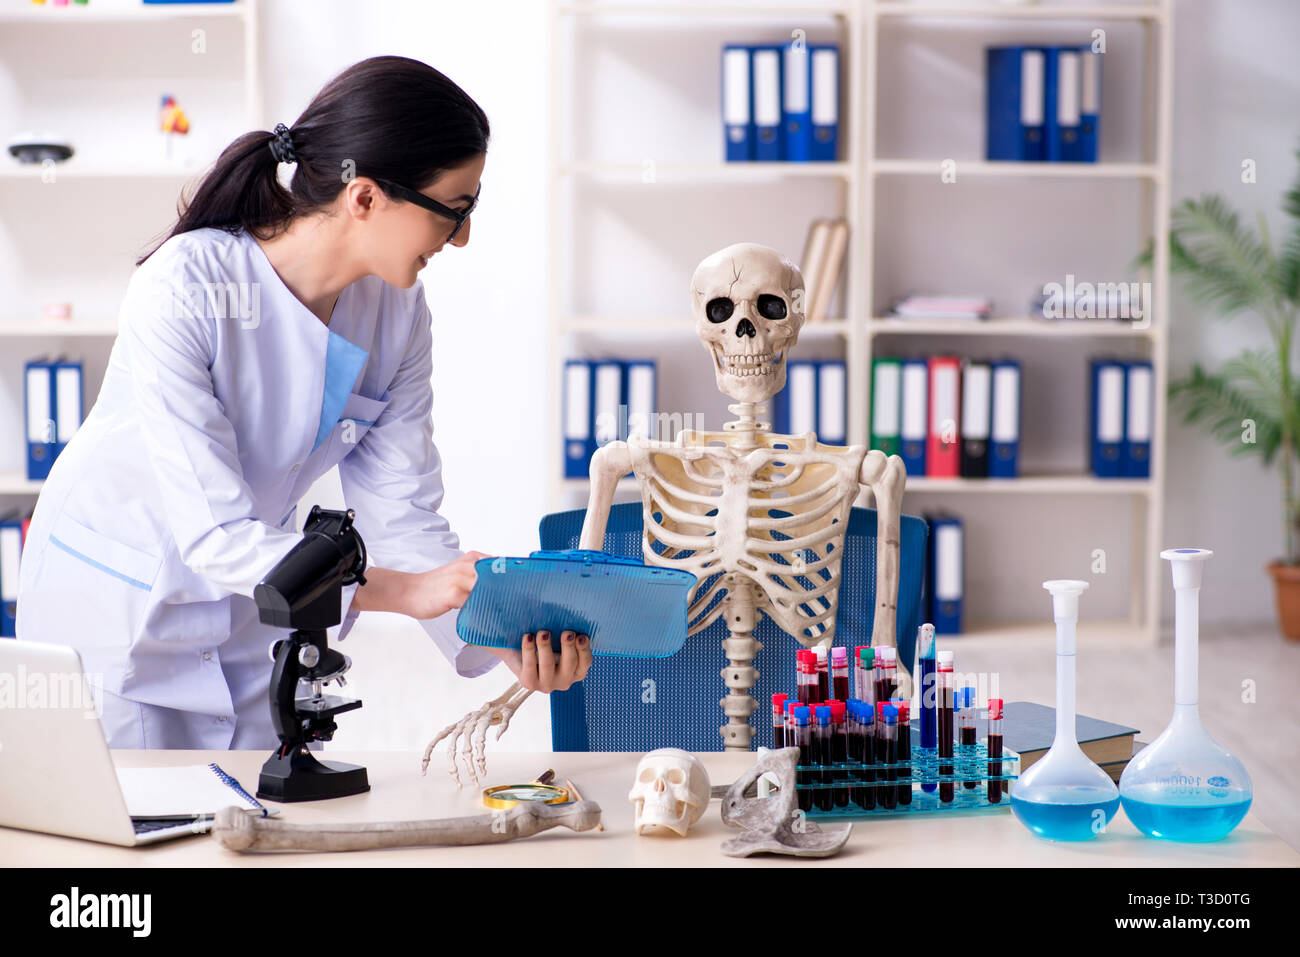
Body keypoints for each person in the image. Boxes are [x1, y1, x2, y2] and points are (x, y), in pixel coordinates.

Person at [16, 56, 591, 749]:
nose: (463, 237)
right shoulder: (186, 285)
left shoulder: (397, 312)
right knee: (139, 842)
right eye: (456, 210)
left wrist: (502, 637)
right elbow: (214, 535)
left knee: (264, 826)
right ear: (367, 198)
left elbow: (401, 512)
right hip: (119, 608)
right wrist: (405, 592)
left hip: (254, 605)